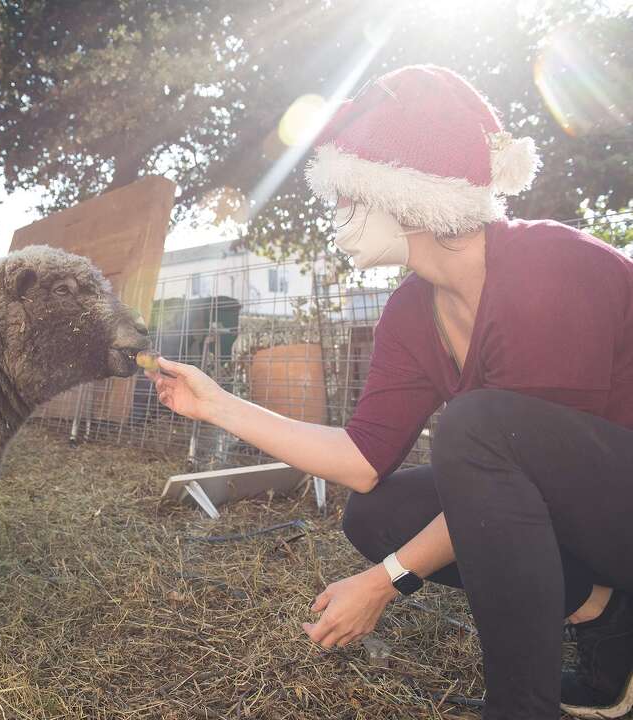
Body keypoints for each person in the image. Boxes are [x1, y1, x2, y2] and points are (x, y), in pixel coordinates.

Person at [148, 65, 633, 720]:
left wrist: (387, 581)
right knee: (374, 513)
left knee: (475, 428)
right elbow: (360, 459)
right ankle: (606, 618)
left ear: (413, 195)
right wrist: (214, 405)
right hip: (584, 510)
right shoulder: (411, 308)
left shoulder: (550, 269)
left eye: (349, 197)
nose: (336, 219)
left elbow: (527, 470)